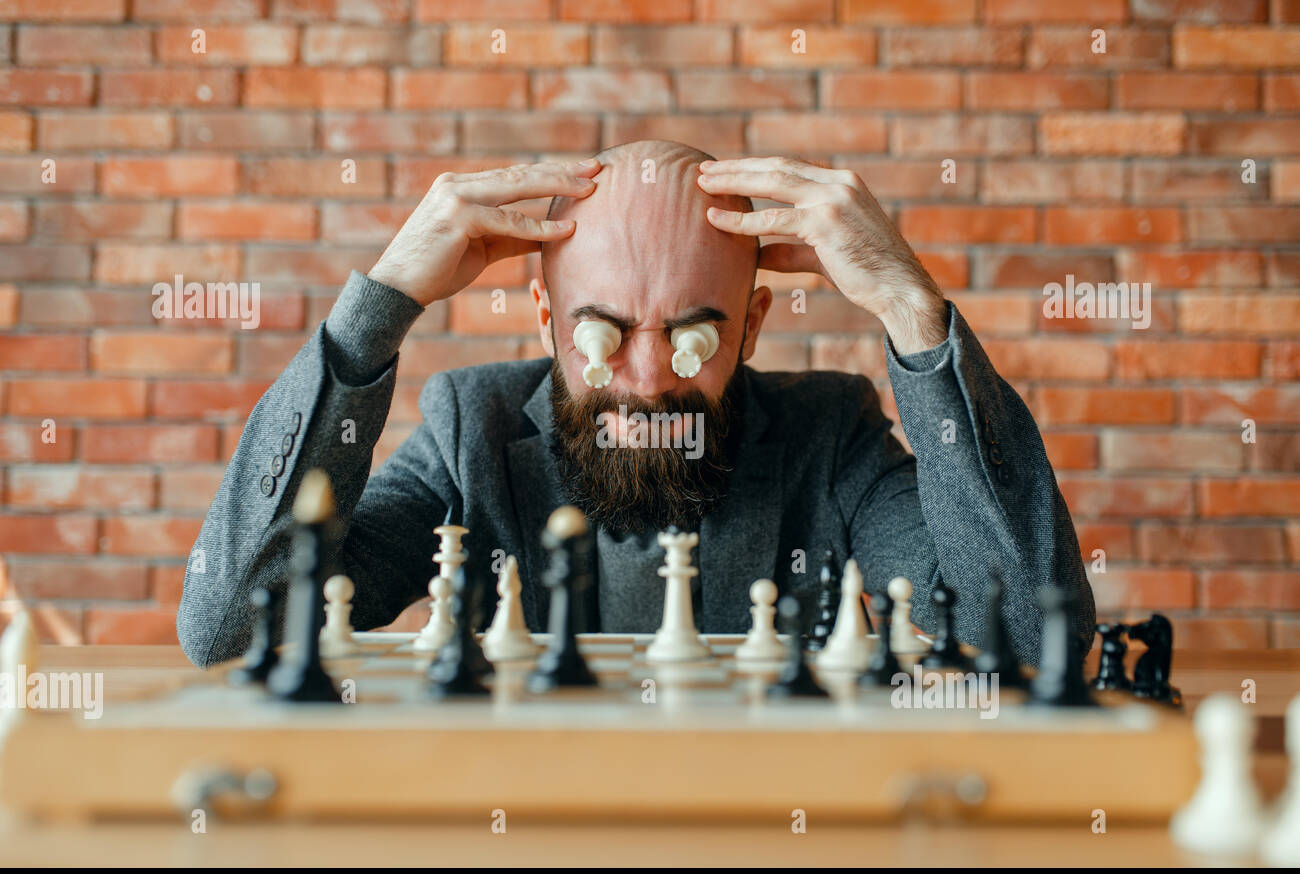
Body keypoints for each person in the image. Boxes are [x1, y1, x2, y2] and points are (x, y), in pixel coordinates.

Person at [177, 139, 1094, 668]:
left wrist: (910, 307)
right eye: (602, 333)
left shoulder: (830, 437)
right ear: (544, 318)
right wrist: (374, 313)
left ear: (750, 327)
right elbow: (229, 625)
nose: (650, 379)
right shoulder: (473, 431)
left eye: (693, 335)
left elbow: (1018, 634)